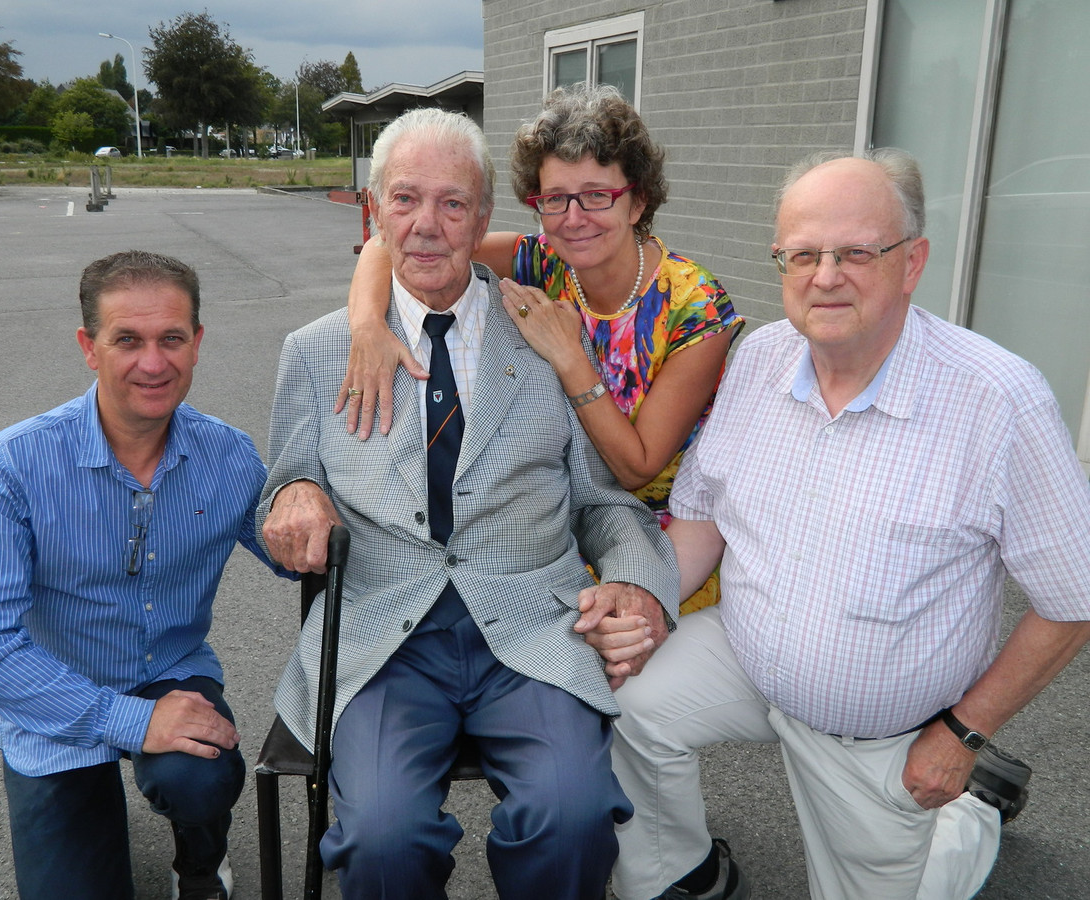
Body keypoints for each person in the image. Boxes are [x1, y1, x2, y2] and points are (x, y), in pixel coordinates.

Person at [593, 149, 1090, 900]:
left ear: (912, 262)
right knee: (627, 698)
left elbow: (1073, 597)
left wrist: (964, 733)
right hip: (747, 655)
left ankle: (968, 816)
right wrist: (643, 600)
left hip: (878, 733)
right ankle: (676, 876)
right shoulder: (760, 358)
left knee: (906, 881)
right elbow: (698, 520)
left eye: (858, 251)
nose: (826, 276)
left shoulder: (998, 400)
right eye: (803, 254)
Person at [257, 107, 681, 900]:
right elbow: (284, 481)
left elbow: (607, 503)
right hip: (383, 637)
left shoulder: (547, 336)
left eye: (452, 204)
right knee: (383, 838)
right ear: (374, 209)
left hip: (529, 625)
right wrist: (296, 496)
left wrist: (637, 584)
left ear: (483, 218)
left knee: (574, 814)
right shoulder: (317, 351)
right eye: (406, 199)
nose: (427, 225)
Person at [341, 83, 743, 619]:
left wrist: (569, 356)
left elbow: (637, 467)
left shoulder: (695, 307)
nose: (574, 218)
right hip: (558, 532)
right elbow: (395, 244)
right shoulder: (544, 262)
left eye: (598, 195)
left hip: (662, 540)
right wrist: (367, 324)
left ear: (638, 199)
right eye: (555, 199)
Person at [0, 250, 275, 900]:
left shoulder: (229, 455)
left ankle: (200, 862)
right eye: (127, 339)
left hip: (171, 671)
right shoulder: (12, 465)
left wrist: (310, 494)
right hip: (54, 694)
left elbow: (298, 551)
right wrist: (128, 721)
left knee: (200, 778)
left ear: (197, 343)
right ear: (89, 347)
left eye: (171, 339)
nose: (153, 363)